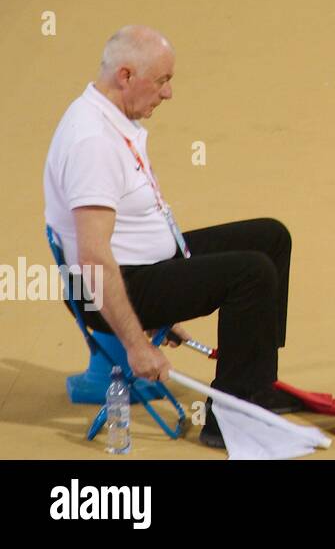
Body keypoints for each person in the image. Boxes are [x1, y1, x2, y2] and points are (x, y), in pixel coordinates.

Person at [43, 25, 301, 448]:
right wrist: (136, 345)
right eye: (162, 81)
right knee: (251, 273)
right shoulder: (92, 143)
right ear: (125, 75)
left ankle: (255, 384)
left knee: (270, 239)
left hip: (149, 264)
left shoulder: (111, 116)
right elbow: (92, 259)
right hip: (116, 283)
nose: (168, 94)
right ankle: (230, 421)